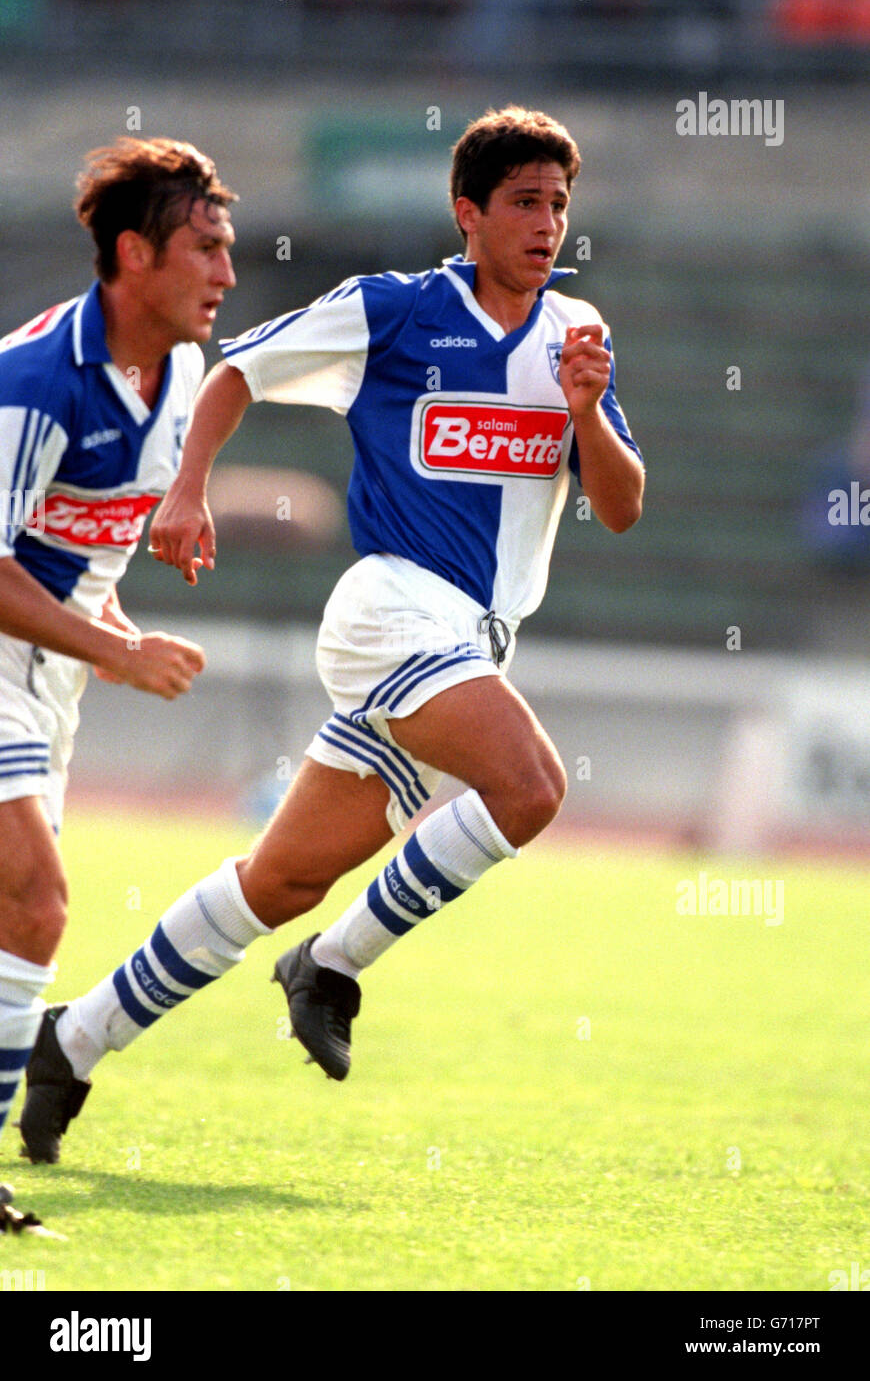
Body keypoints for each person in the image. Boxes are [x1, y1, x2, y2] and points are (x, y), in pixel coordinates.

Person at [20, 106, 644, 1167]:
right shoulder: (391, 312)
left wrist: (587, 411)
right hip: (393, 611)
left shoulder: (573, 338)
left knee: (280, 877)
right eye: (526, 204)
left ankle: (71, 1041)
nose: (548, 224)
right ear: (469, 215)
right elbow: (236, 370)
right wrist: (189, 489)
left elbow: (623, 508)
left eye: (559, 205)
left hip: (473, 644)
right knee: (532, 786)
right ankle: (334, 964)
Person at [0, 137, 236, 1230]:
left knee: (17, 904)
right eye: (205, 249)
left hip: (53, 671)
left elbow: (78, 547)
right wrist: (118, 651)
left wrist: (117, 622)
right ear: (134, 253)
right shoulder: (35, 378)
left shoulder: (178, 372)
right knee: (35, 896)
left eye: (229, 249)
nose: (225, 274)